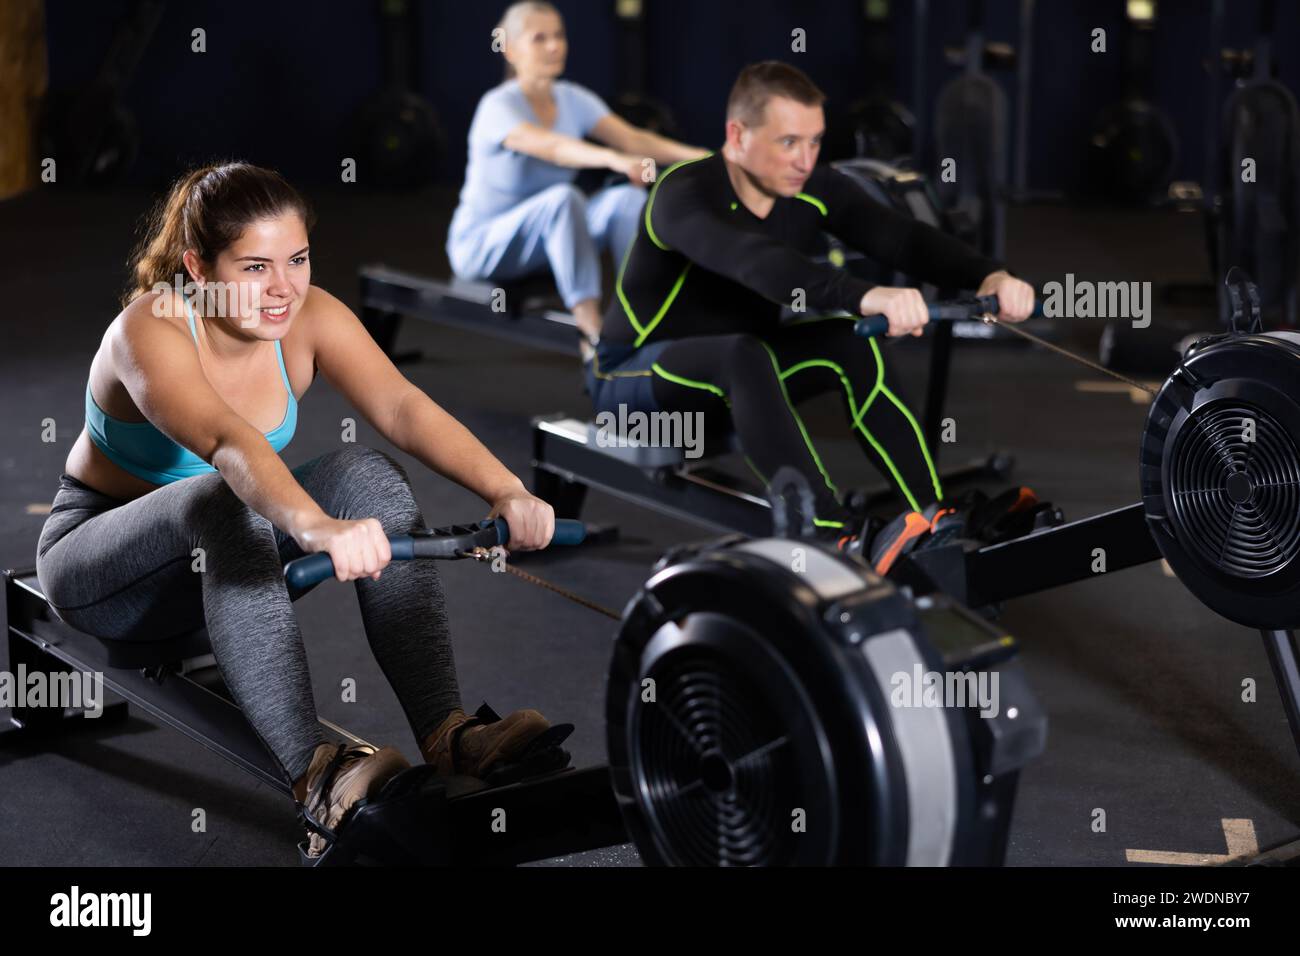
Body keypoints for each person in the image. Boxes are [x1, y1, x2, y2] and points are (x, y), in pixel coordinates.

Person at [35, 162, 563, 860]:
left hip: (229, 549)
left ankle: (449, 734)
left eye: (298, 258)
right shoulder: (150, 329)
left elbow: (402, 408)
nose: (283, 288)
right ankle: (316, 781)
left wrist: (508, 491)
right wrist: (315, 526)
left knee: (366, 473)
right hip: (102, 568)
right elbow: (227, 443)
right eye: (254, 266)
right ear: (198, 265)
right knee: (222, 498)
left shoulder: (310, 318)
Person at [588, 60, 1036, 536]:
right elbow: (755, 262)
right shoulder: (683, 193)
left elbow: (903, 240)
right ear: (737, 136)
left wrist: (990, 274)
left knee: (852, 342)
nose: (805, 159)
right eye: (788, 143)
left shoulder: (810, 188)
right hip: (632, 389)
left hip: (738, 377)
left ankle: (933, 517)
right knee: (741, 352)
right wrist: (865, 295)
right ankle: (827, 531)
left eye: (814, 141)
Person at [447, 1, 707, 359]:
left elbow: (635, 139)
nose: (554, 46)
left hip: (549, 238)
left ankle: (637, 317)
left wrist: (710, 158)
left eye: (559, 36)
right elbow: (552, 147)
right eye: (540, 38)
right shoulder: (497, 106)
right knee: (564, 199)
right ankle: (592, 335)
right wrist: (613, 159)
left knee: (627, 201)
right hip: (482, 245)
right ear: (509, 48)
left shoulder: (573, 98)